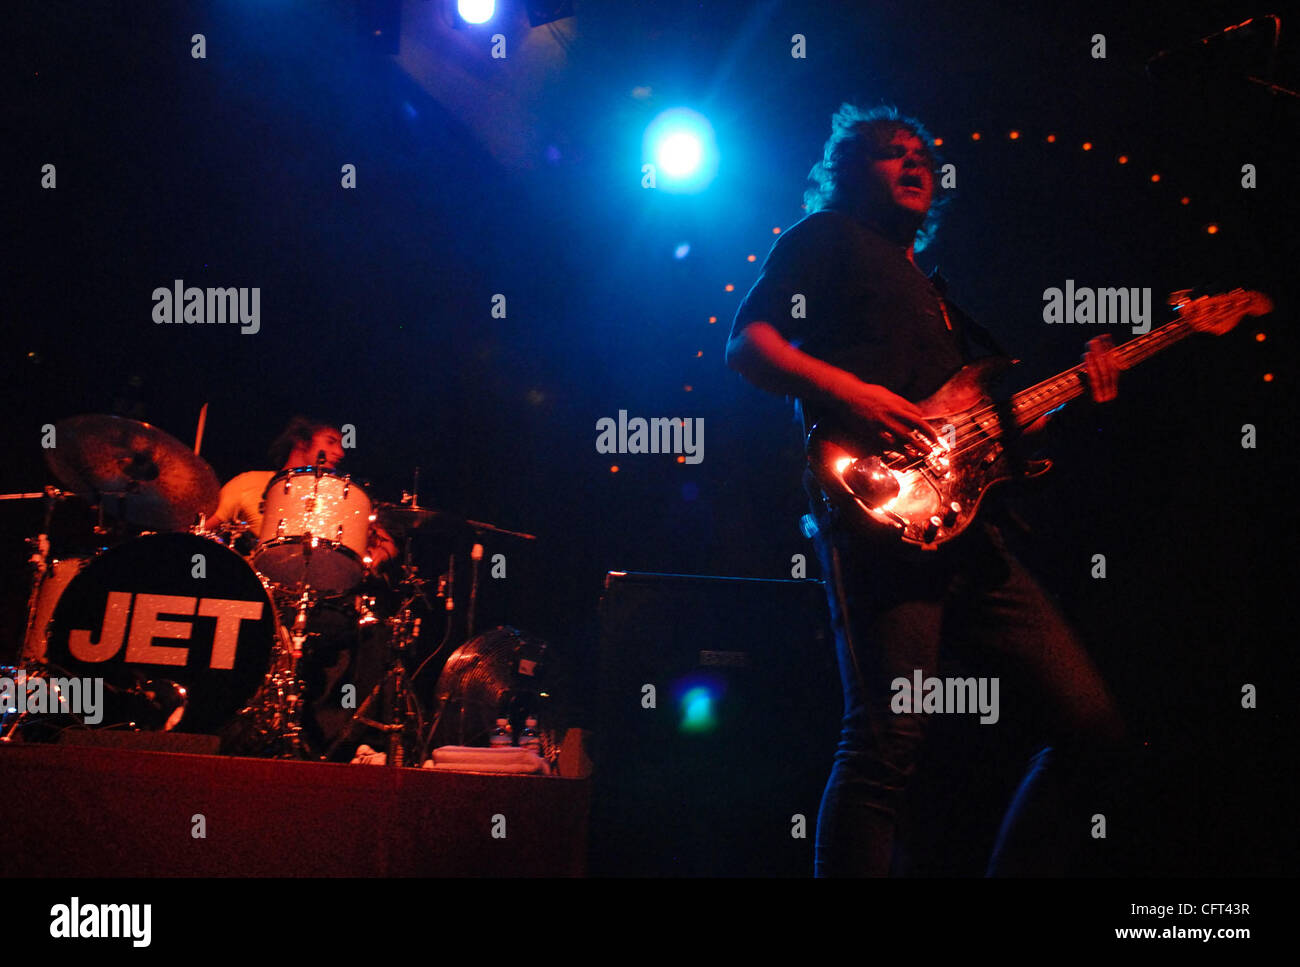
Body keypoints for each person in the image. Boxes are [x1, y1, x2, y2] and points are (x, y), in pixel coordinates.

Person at [726, 104, 1129, 876]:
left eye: (922, 153)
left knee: (1092, 727)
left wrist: (1078, 390)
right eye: (888, 152)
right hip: (878, 516)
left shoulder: (935, 292)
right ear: (847, 172)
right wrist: (853, 394)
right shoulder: (828, 240)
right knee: (885, 746)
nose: (914, 162)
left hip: (969, 528)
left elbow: (982, 429)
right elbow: (747, 344)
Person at [209, 415, 396, 759]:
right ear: (301, 442)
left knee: (371, 632)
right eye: (330, 441)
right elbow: (205, 533)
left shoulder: (341, 495)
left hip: (323, 600)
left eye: (343, 444)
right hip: (261, 596)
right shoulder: (250, 482)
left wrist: (370, 560)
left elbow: (386, 544)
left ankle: (339, 743)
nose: (341, 452)